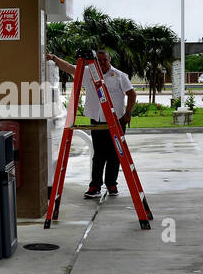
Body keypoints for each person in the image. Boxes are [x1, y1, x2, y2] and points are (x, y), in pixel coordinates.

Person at [46, 49, 136, 198]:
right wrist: (54, 58)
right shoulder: (87, 72)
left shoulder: (119, 76)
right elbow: (69, 67)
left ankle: (112, 185)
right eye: (98, 60)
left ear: (109, 60)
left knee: (115, 154)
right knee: (99, 154)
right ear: (94, 62)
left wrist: (128, 112)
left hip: (116, 120)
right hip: (97, 120)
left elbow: (131, 94)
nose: (102, 63)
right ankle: (95, 187)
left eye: (104, 60)